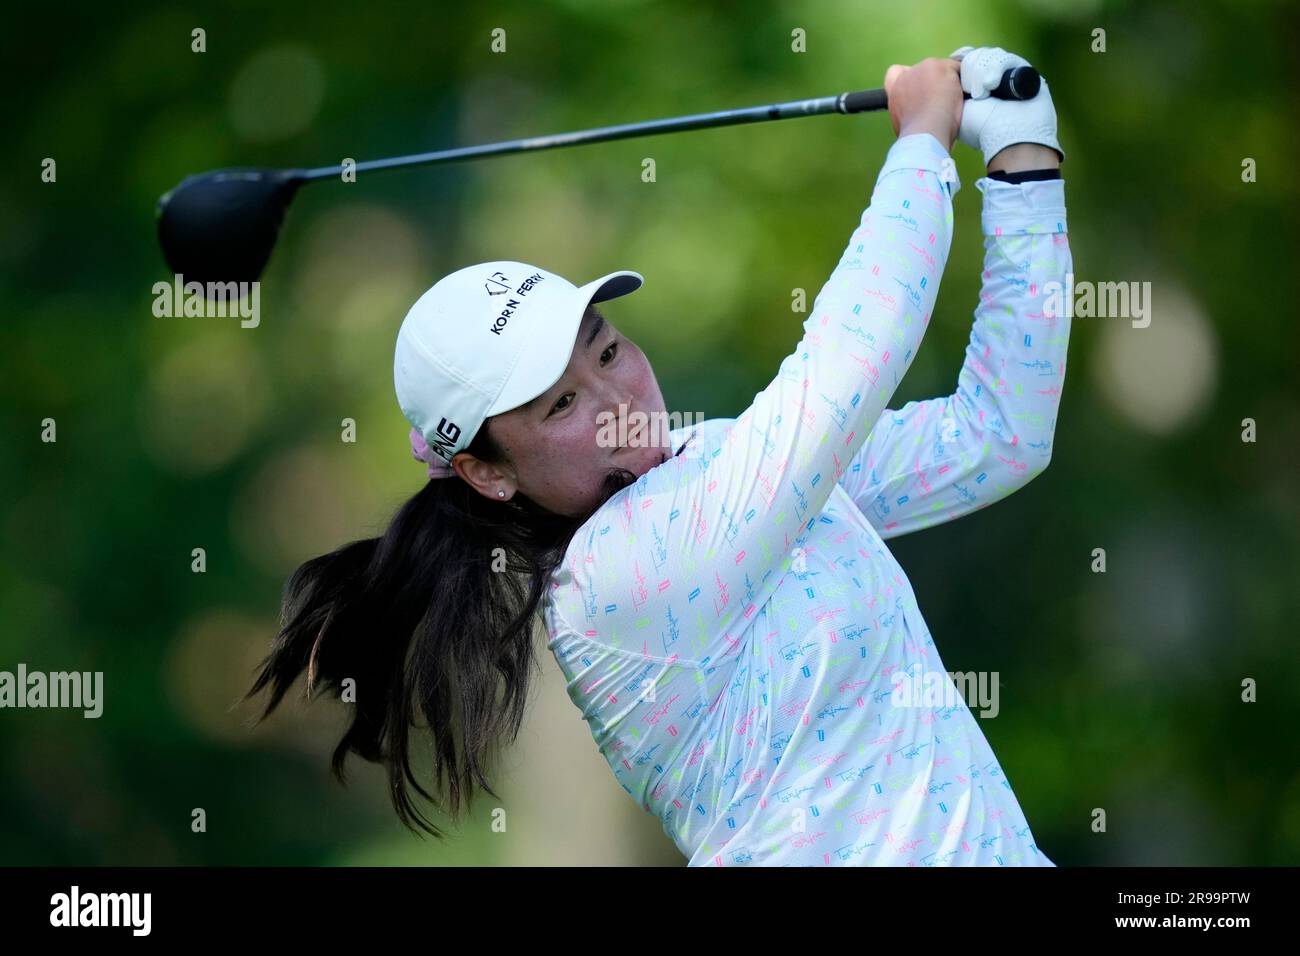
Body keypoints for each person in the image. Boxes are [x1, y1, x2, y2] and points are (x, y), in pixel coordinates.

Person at [244, 46, 1072, 866]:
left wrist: (1023, 166)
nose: (615, 404)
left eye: (606, 354)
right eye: (560, 404)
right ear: (486, 471)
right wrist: (920, 144)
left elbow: (995, 434)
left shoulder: (718, 464)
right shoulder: (617, 577)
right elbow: (851, 359)